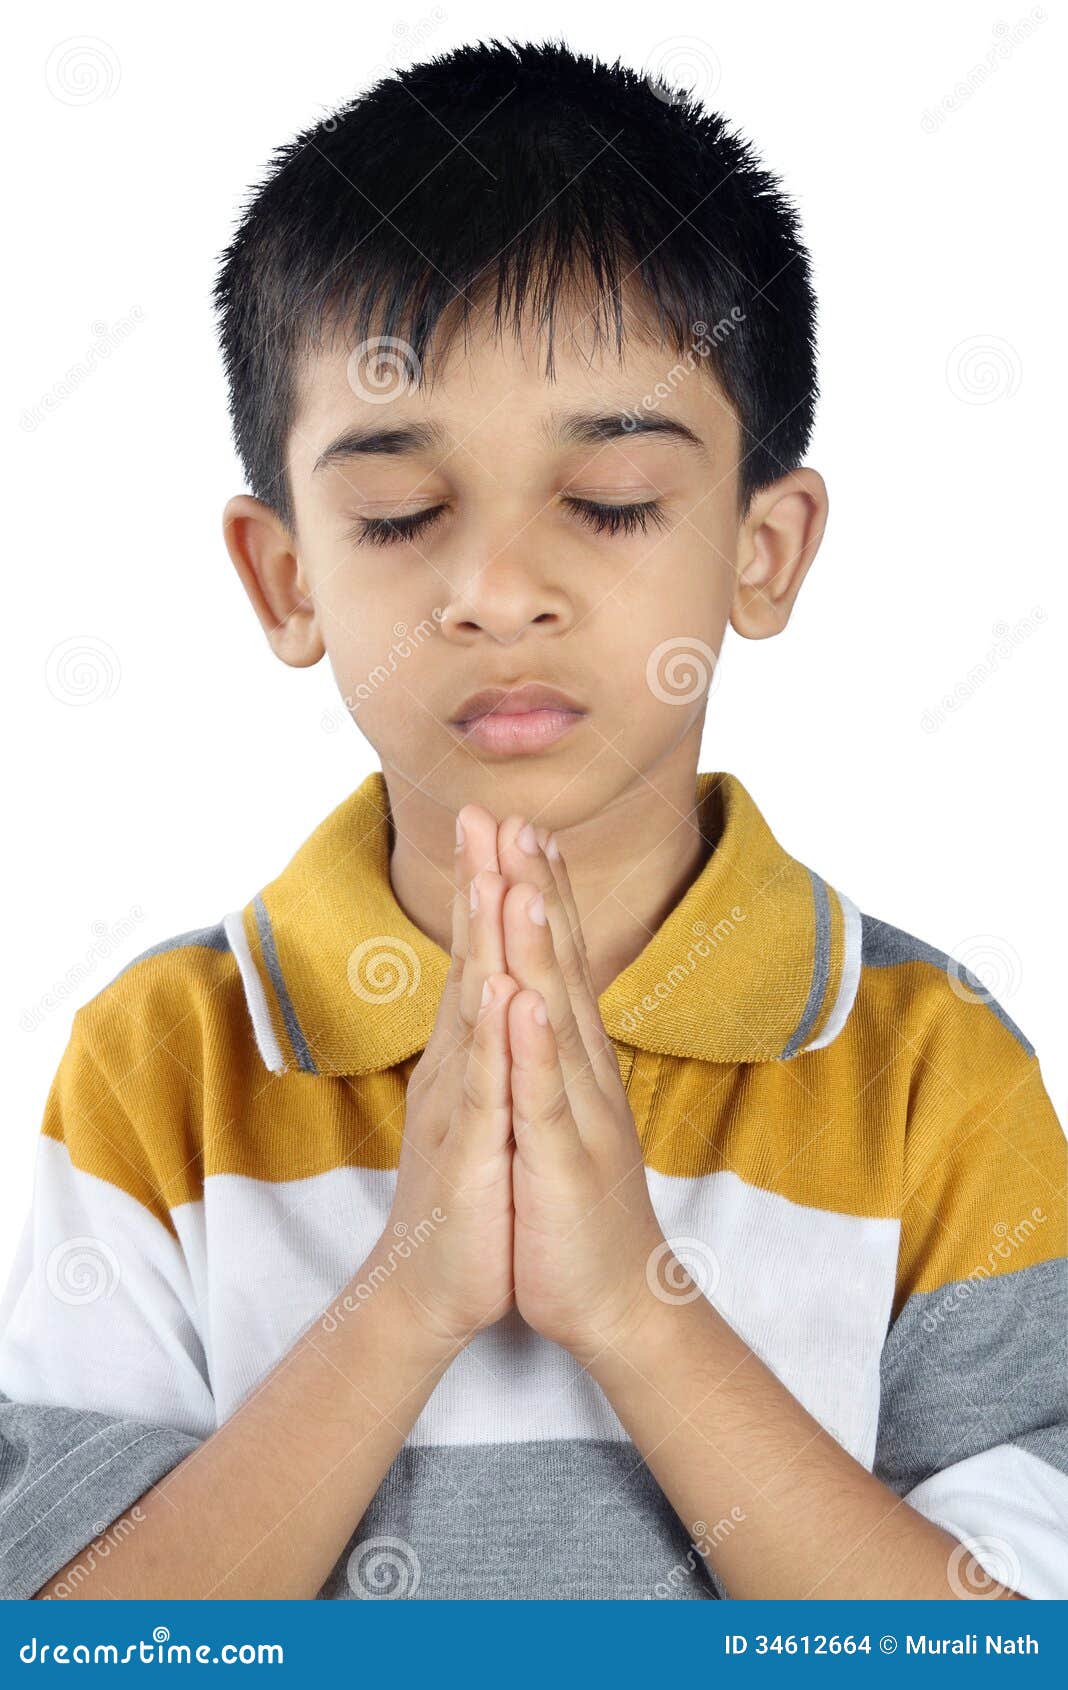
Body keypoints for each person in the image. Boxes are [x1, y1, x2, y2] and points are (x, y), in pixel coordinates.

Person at [1, 38, 1064, 1602]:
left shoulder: (929, 1068)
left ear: (763, 551)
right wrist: (412, 1289)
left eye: (613, 497)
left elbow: (1002, 1648)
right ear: (286, 574)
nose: (498, 592)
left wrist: (633, 1308)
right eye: (401, 516)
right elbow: (80, 1643)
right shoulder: (163, 1067)